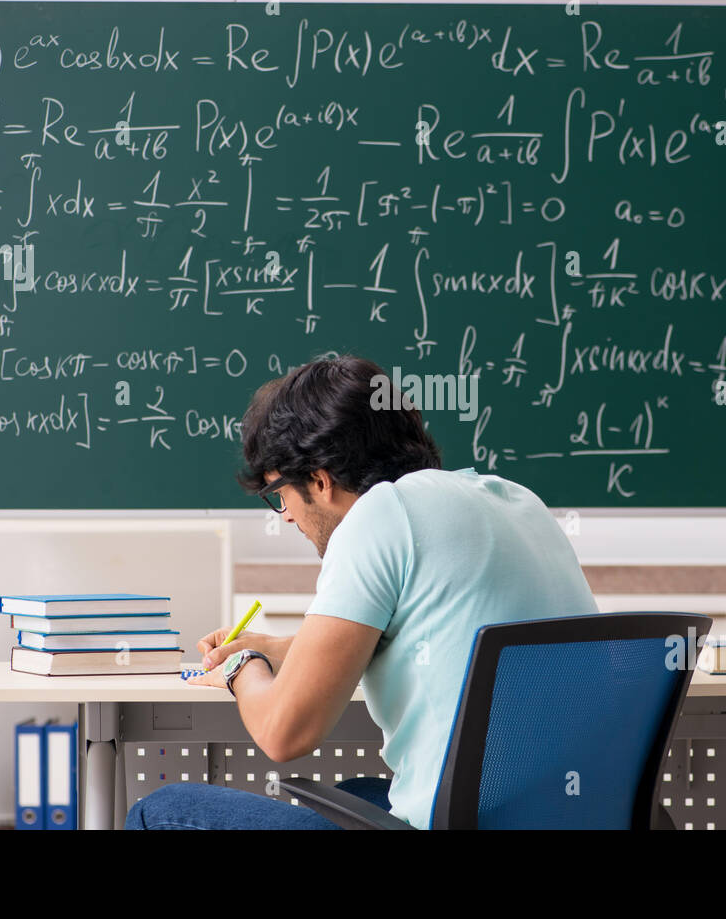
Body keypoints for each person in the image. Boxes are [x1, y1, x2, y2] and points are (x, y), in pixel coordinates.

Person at [124, 355, 598, 829]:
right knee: (353, 794)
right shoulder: (516, 500)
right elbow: (414, 628)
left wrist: (241, 668)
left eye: (280, 496)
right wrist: (275, 649)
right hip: (572, 813)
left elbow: (283, 733)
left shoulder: (380, 514)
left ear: (319, 479)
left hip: (467, 822)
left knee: (159, 811)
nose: (285, 516)